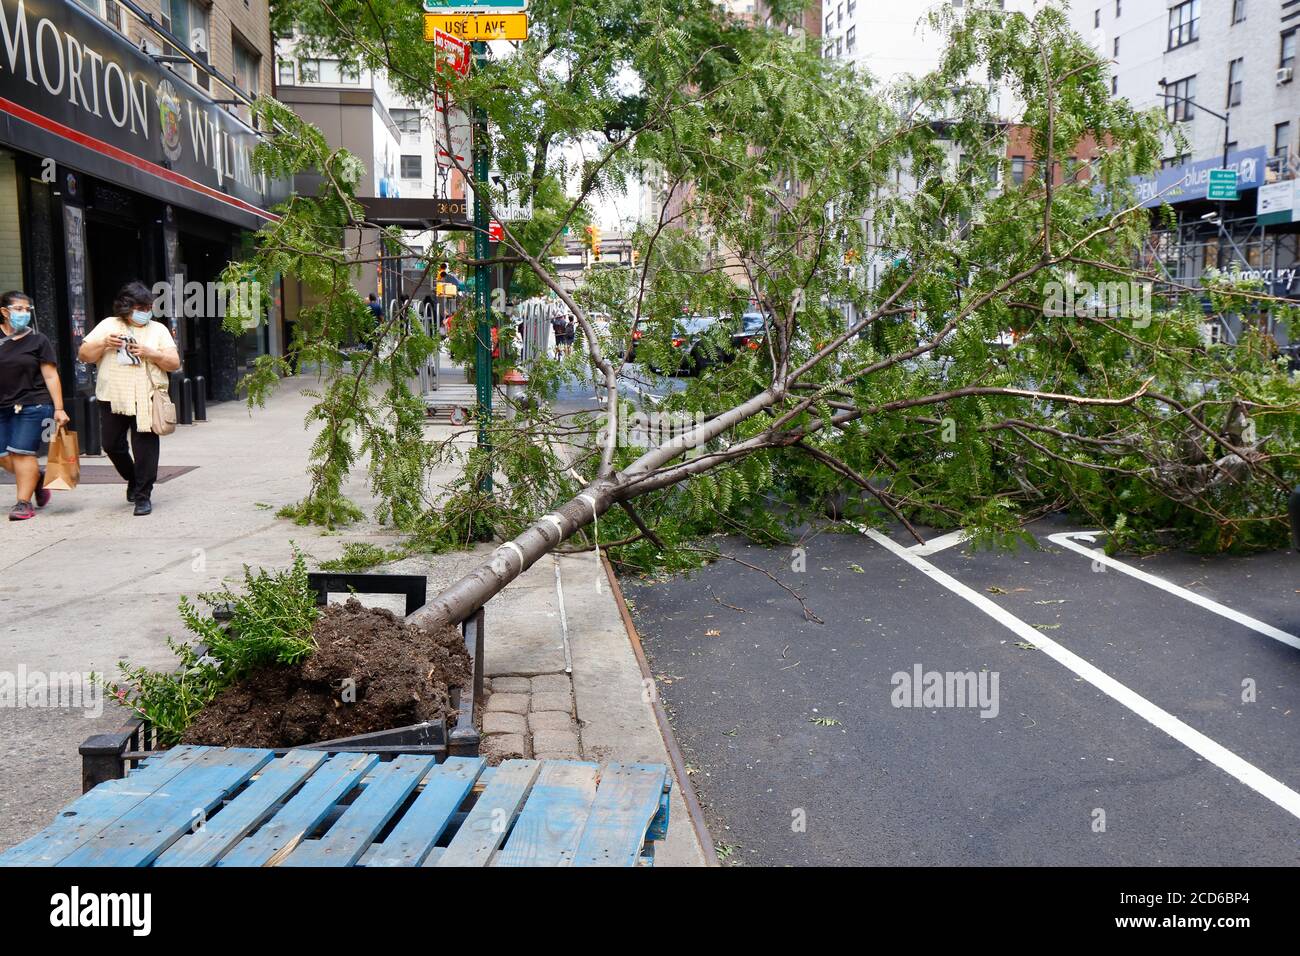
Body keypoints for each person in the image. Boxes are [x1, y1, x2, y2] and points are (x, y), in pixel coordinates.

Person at [77, 281, 181, 516]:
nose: (145, 312)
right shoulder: (108, 325)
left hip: (147, 396)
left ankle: (143, 495)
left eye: (148, 307)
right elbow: (84, 355)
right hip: (112, 396)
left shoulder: (158, 330)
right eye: (139, 308)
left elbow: (174, 363)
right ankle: (133, 478)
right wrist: (103, 343)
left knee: (145, 448)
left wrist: (150, 353)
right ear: (126, 307)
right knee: (111, 444)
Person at [0, 291, 69, 520]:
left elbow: (51, 376)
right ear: (4, 312)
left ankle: (23, 503)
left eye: (27, 310)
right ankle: (36, 479)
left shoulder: (38, 340)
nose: (24, 314)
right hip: (2, 406)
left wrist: (59, 408)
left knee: (21, 453)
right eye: (18, 309)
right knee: (3, 455)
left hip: (34, 404)